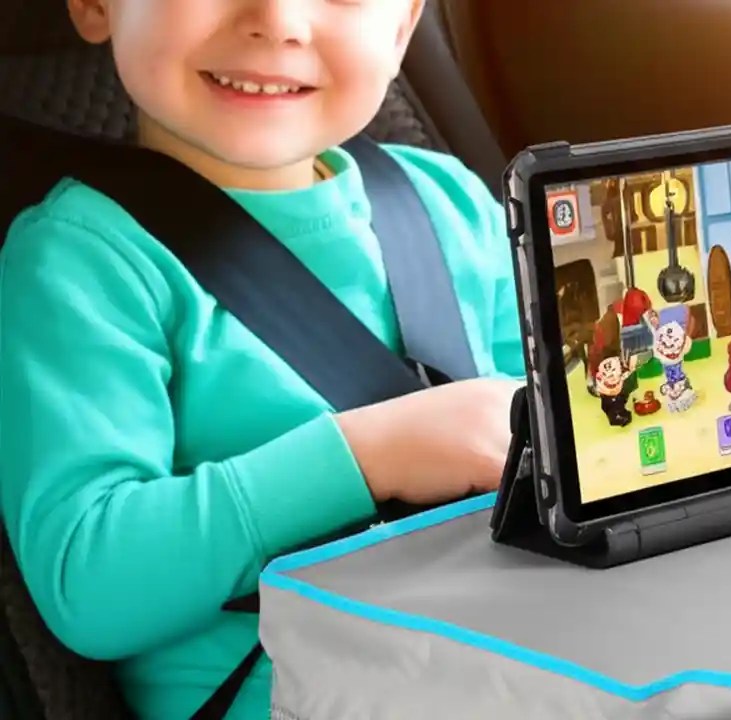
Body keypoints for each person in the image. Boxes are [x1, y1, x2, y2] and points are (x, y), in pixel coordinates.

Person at [0, 0, 524, 718]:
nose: (277, 18)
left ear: (402, 25)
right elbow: (89, 585)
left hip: (513, 660)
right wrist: (373, 454)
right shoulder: (80, 261)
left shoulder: (452, 204)